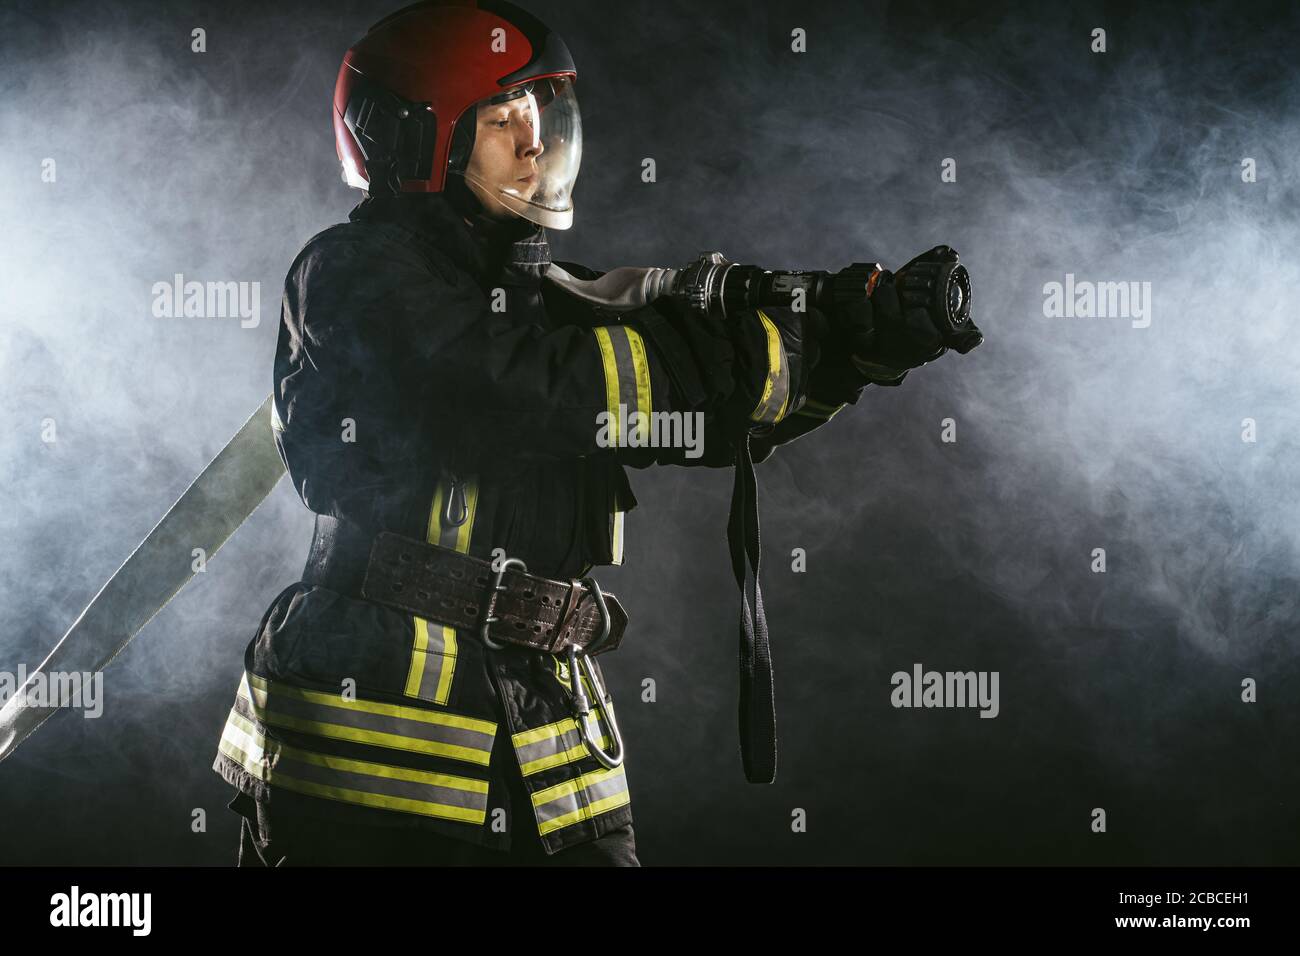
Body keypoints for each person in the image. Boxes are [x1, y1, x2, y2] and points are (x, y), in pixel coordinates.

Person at [212, 0, 958, 866]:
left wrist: (848, 350)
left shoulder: (543, 297)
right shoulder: (353, 277)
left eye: (539, 117)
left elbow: (690, 422)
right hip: (378, 747)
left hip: (552, 734)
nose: (535, 145)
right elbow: (544, 391)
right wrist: (750, 347)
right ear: (418, 143)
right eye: (501, 121)